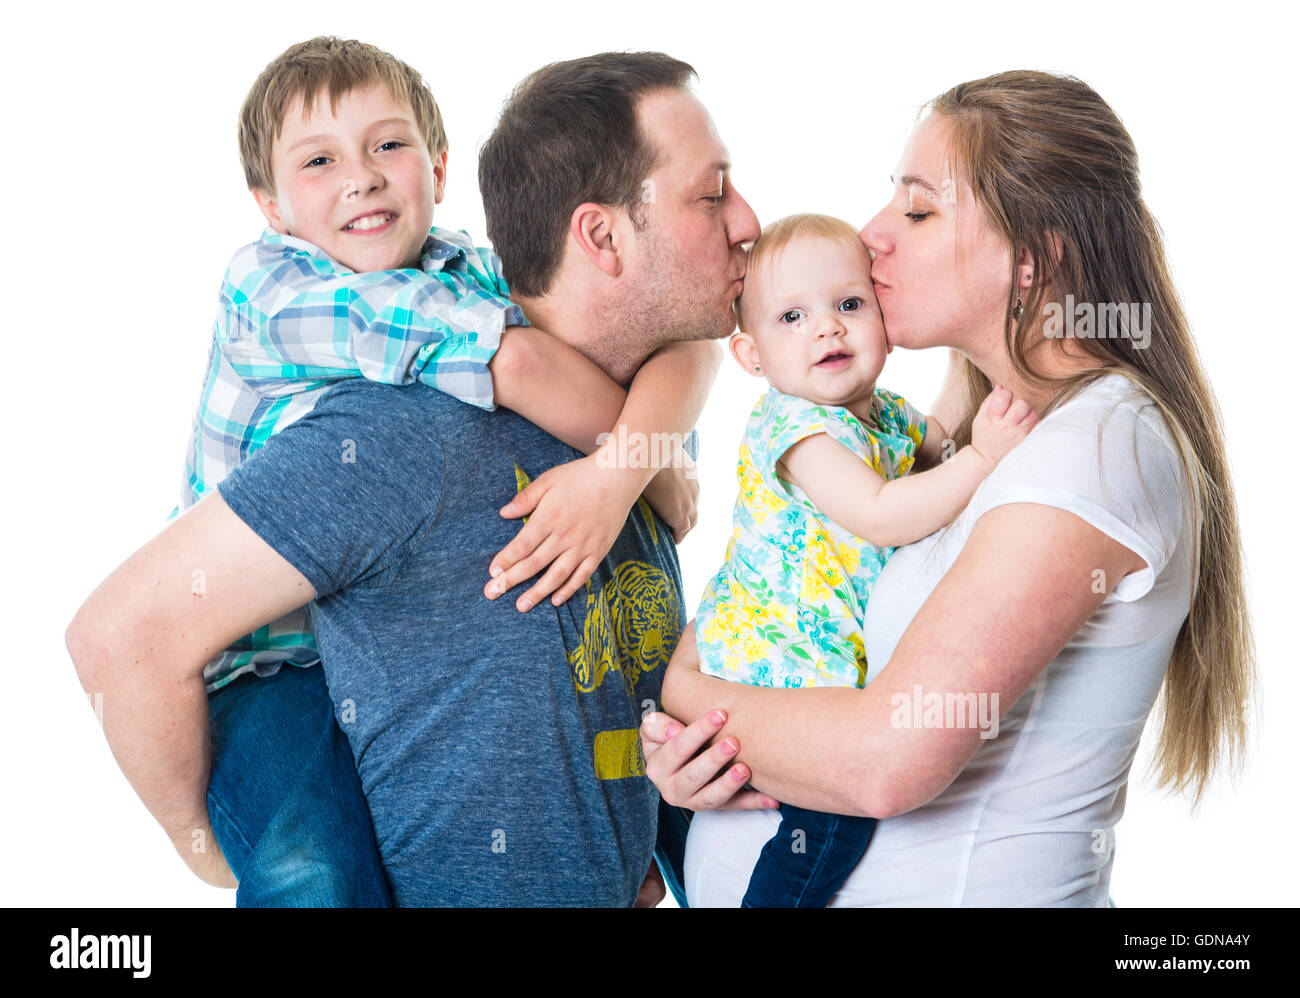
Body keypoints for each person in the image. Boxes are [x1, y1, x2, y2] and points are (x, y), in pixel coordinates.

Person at [65, 50, 759, 906]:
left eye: (386, 147)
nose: (360, 181)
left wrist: (631, 462)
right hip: (255, 668)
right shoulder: (336, 354)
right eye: (712, 191)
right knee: (310, 867)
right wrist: (199, 842)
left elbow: (685, 347)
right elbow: (120, 638)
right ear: (272, 207)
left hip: (331, 651)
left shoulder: (477, 290)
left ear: (436, 167)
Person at [641, 70, 1254, 907]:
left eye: (919, 210)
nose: (872, 233)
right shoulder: (953, 430)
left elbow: (886, 761)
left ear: (1035, 258)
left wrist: (691, 698)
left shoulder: (1098, 447)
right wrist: (699, 754)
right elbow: (771, 587)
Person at [694, 212, 1036, 906]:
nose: (827, 328)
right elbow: (881, 513)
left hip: (816, 667)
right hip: (777, 665)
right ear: (751, 356)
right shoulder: (798, 425)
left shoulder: (877, 412)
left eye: (849, 305)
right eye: (792, 316)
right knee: (828, 825)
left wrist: (967, 353)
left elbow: (931, 441)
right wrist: (984, 458)